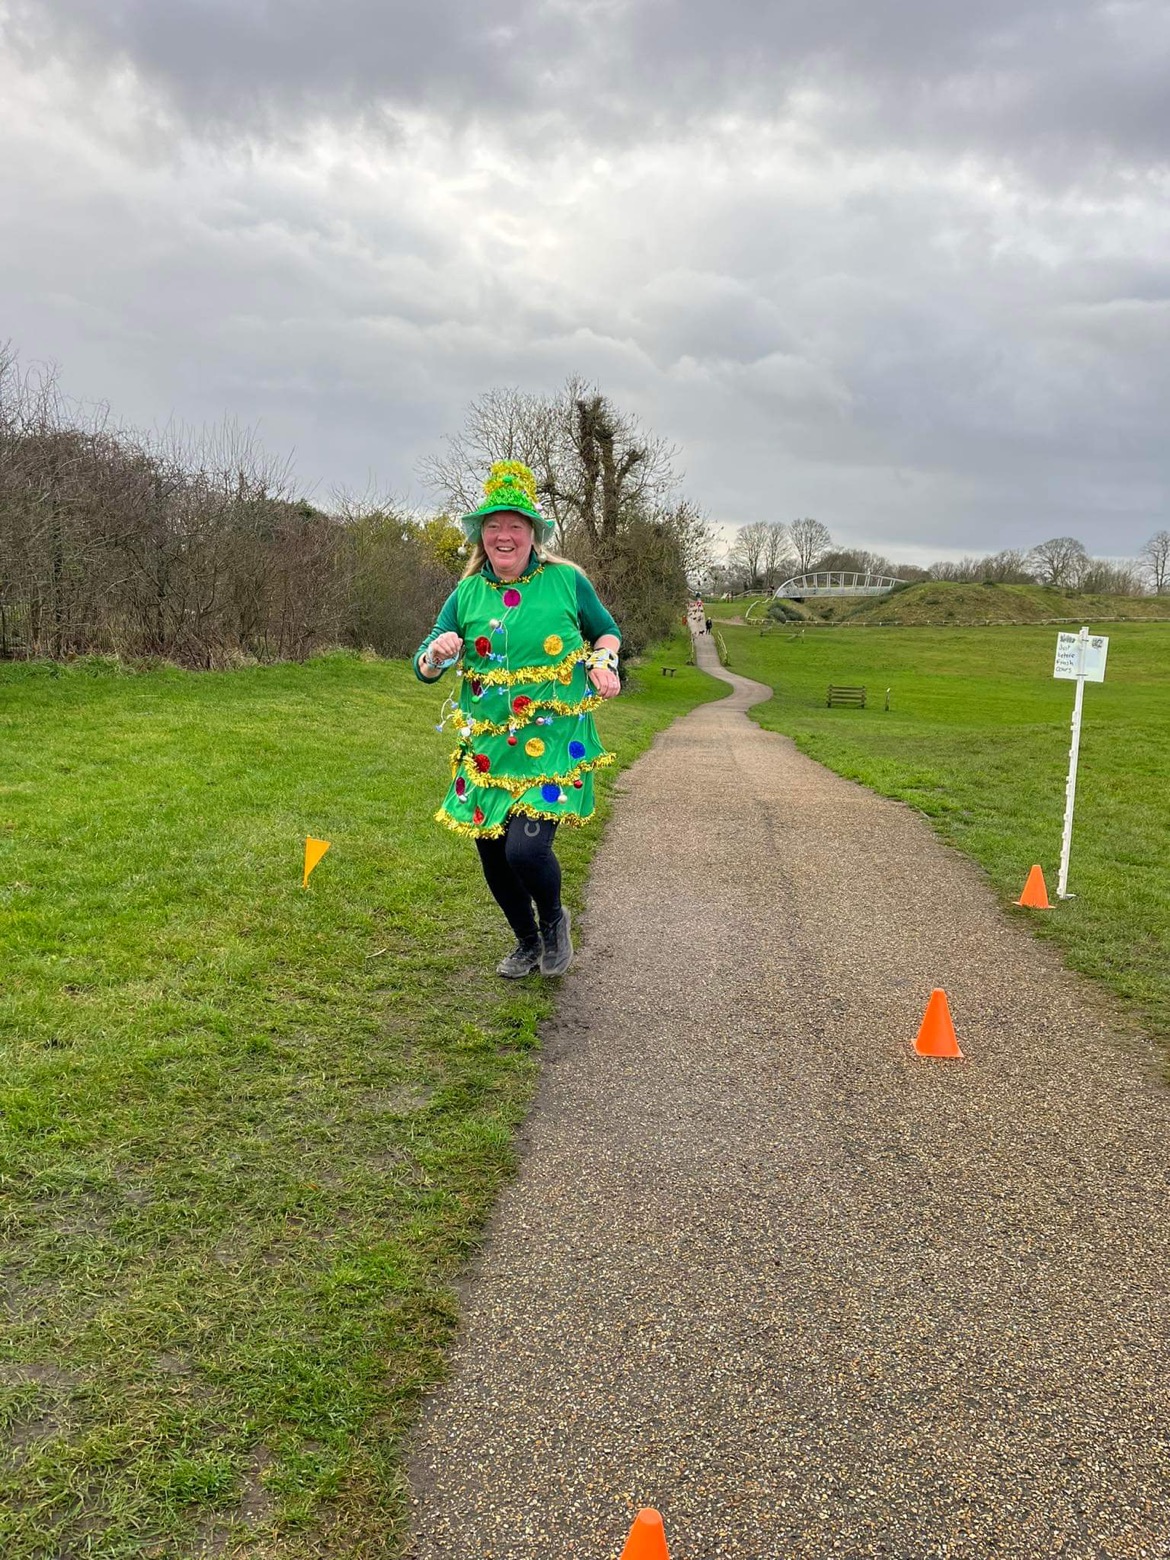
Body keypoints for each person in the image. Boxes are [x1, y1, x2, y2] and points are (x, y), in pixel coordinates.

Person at [414, 461, 622, 978]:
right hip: (487, 750)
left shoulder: (567, 581)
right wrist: (438, 653)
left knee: (526, 852)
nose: (503, 536)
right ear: (480, 537)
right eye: (493, 527)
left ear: (534, 534)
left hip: (553, 742)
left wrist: (604, 661)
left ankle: (553, 922)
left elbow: (607, 632)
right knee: (493, 856)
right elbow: (423, 666)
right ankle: (527, 943)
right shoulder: (466, 594)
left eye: (515, 526)